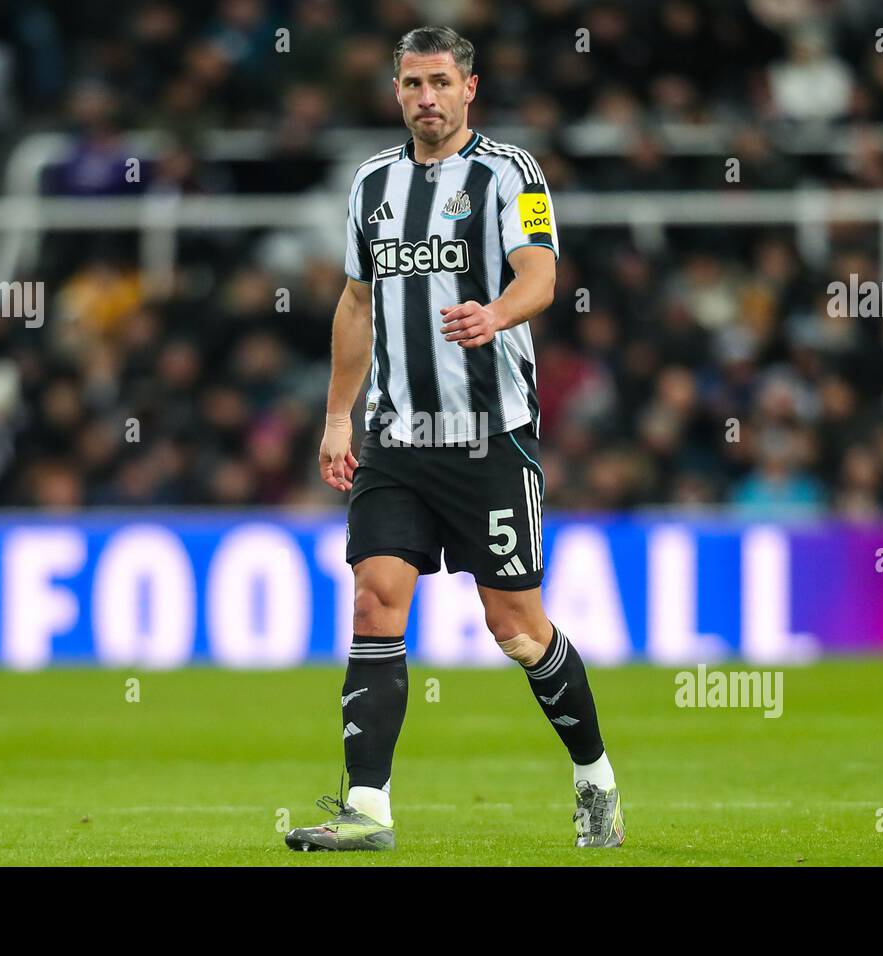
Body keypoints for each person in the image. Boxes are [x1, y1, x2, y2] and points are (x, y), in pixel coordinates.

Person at [285, 25, 624, 852]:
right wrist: (339, 417)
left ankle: (595, 779)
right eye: (411, 84)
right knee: (374, 600)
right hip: (396, 439)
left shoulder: (511, 173)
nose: (426, 98)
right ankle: (367, 808)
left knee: (515, 628)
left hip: (487, 437)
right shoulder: (370, 184)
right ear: (395, 91)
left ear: (470, 88)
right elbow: (358, 305)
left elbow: (541, 276)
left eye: (440, 81)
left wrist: (495, 313)